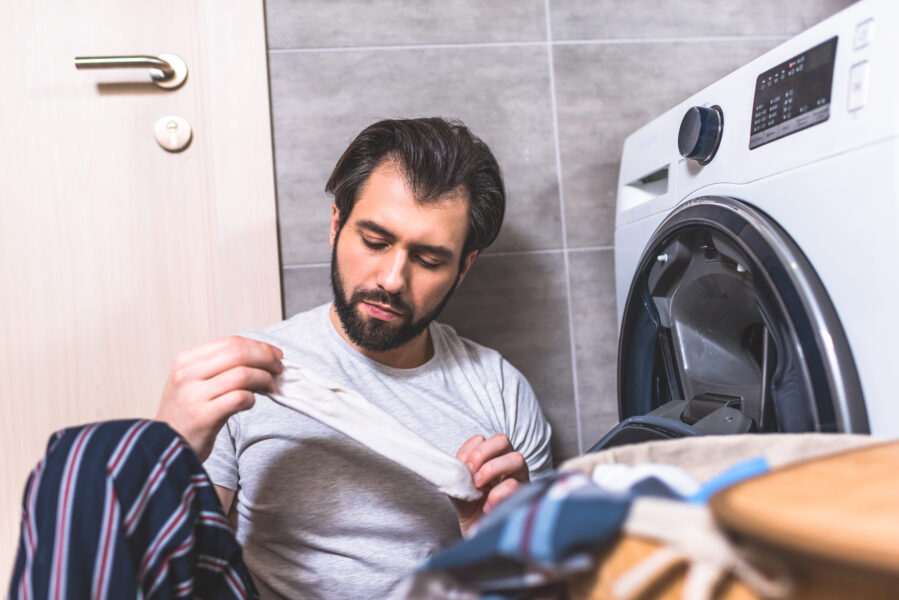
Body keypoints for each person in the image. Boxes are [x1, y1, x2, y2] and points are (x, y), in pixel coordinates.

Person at [154, 117, 554, 597]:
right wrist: (169, 450)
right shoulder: (246, 376)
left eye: (429, 259)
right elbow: (165, 576)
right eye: (375, 242)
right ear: (337, 225)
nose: (391, 279)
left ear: (463, 268)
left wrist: (495, 545)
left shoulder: (501, 395)